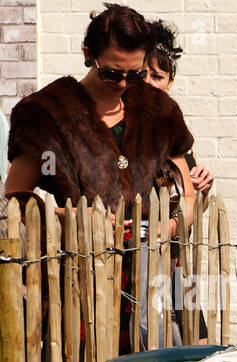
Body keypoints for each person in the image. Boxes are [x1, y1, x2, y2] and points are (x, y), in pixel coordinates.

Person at [4, 3, 195, 235]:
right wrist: (74, 215)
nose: (124, 83)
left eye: (135, 74)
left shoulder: (159, 110)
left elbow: (186, 193)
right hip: (79, 263)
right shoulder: (45, 115)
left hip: (155, 262)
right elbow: (13, 202)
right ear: (88, 54)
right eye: (112, 74)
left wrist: (171, 227)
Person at [143, 19, 214, 196]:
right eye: (141, 74)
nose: (147, 83)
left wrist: (203, 187)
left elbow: (190, 202)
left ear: (170, 82)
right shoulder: (116, 123)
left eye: (157, 77)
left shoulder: (176, 132)